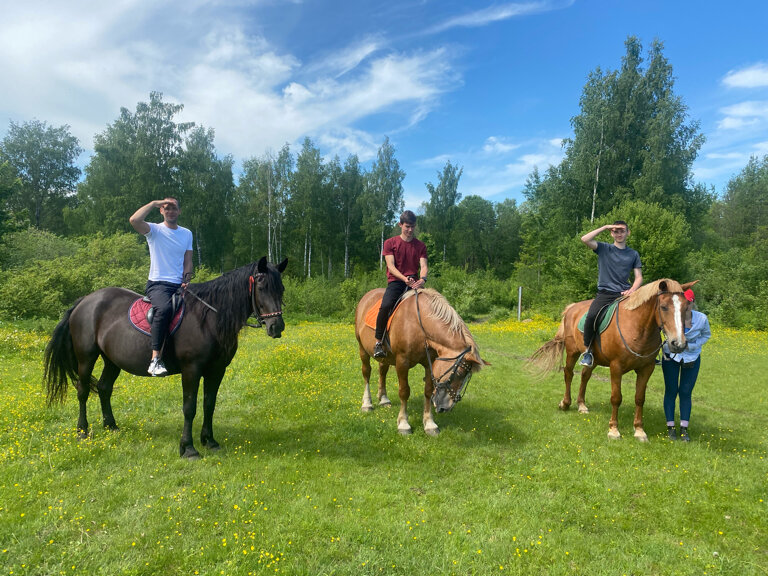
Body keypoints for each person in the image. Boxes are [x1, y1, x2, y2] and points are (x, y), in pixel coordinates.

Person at [130, 197, 194, 376]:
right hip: (158, 284)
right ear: (161, 210)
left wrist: (187, 279)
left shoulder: (187, 233)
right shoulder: (154, 230)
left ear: (179, 211)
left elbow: (188, 260)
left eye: (174, 208)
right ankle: (155, 359)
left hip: (180, 284)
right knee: (164, 310)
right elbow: (134, 220)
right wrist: (152, 203)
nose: (170, 211)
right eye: (167, 208)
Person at [579, 220, 643, 367]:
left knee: (650, 311)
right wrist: (605, 227)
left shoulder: (633, 254)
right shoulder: (603, 248)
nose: (619, 234)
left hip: (626, 294)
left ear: (628, 233)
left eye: (622, 231)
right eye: (616, 231)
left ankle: (650, 353)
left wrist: (632, 290)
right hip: (606, 294)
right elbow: (584, 239)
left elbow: (639, 277)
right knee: (592, 316)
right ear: (611, 233)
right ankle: (588, 351)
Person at [373, 210, 428, 359]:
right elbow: (390, 266)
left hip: (415, 283)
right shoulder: (390, 243)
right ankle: (378, 342)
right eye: (407, 226)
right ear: (400, 225)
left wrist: (422, 279)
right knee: (386, 306)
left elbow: (423, 266)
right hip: (396, 282)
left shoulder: (420, 246)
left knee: (430, 305)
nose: (410, 230)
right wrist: (404, 279)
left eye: (412, 226)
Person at [661, 289, 711, 441]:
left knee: (685, 392)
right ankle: (671, 428)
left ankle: (684, 429)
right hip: (672, 356)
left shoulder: (701, 319)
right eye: (685, 303)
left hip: (691, 357)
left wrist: (692, 346)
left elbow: (706, 335)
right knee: (671, 390)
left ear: (693, 302)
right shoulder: (673, 317)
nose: (687, 306)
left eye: (689, 303)